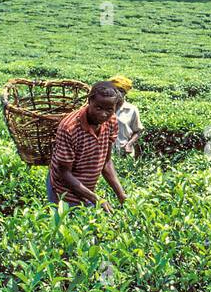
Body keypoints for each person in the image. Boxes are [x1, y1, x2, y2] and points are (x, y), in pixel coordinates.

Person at [47, 81, 127, 211]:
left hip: (86, 190)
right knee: (63, 226)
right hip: (63, 191)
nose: (103, 114)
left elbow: (106, 162)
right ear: (89, 101)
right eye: (98, 108)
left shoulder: (111, 121)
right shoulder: (69, 128)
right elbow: (64, 173)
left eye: (109, 109)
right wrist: (96, 199)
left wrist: (120, 193)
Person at [110, 75, 142, 157]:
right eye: (114, 89)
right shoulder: (103, 108)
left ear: (125, 93)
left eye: (121, 90)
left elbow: (138, 131)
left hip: (124, 152)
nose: (117, 93)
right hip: (105, 153)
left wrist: (129, 144)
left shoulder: (132, 109)